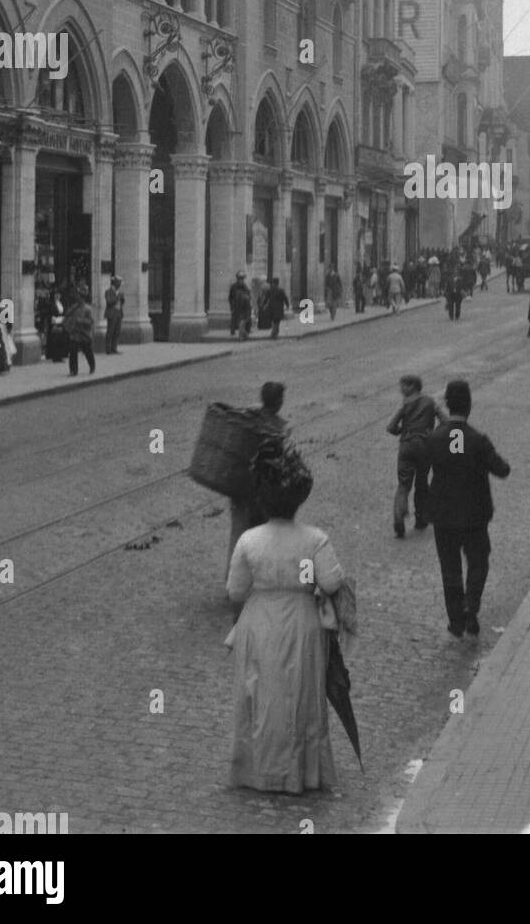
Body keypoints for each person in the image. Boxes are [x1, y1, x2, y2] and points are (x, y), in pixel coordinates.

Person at [226, 438, 344, 794]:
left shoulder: (249, 539)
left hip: (259, 620)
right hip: (301, 621)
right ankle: (300, 772)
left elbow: (234, 591)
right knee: (300, 694)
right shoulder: (314, 539)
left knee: (258, 693)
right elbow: (331, 581)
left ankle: (257, 769)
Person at [422, 379, 510, 637]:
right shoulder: (477, 440)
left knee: (449, 567)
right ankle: (471, 603)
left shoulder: (435, 438)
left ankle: (456, 619)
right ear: (469, 405)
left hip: (444, 516)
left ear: (448, 405)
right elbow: (502, 470)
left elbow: (424, 467)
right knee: (478, 562)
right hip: (474, 516)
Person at [227, 381, 289, 574]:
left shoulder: (249, 415)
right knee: (262, 536)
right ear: (279, 402)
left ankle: (233, 580)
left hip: (238, 485)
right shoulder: (280, 428)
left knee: (238, 534)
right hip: (261, 492)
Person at [388, 374, 444, 539]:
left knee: (403, 484)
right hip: (425, 446)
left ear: (412, 386)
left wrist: (402, 431)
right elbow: (446, 419)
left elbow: (390, 427)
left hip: (406, 445)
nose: (400, 389)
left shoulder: (404, 405)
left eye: (402, 386)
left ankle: (399, 514)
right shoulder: (431, 401)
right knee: (422, 483)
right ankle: (421, 518)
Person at [63, 288, 95, 376]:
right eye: (77, 296)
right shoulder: (74, 307)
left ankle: (92, 366)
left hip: (84, 334)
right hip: (74, 333)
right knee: (73, 352)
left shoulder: (88, 309)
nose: (77, 298)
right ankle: (73, 371)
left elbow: (91, 322)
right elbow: (67, 315)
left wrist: (80, 320)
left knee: (87, 352)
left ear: (83, 298)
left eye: (79, 297)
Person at [103, 276, 124, 355]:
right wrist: (118, 297)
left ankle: (114, 348)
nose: (120, 285)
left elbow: (122, 303)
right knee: (110, 331)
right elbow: (109, 302)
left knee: (117, 331)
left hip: (118, 313)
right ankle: (108, 349)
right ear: (115, 283)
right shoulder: (108, 291)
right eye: (119, 283)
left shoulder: (119, 292)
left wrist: (122, 299)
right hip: (112, 313)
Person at [229, 271, 252, 339]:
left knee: (246, 319)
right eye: (240, 278)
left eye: (242, 278)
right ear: (237, 278)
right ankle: (233, 331)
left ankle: (246, 331)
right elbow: (230, 297)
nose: (241, 280)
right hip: (236, 305)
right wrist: (231, 305)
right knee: (234, 318)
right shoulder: (233, 286)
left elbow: (248, 294)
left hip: (244, 305)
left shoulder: (244, 286)